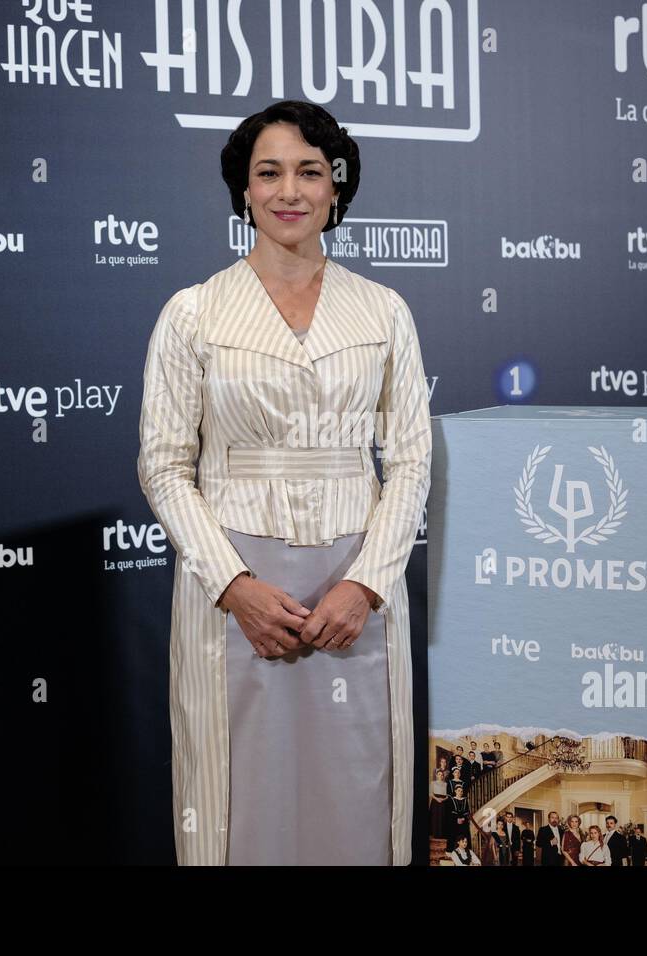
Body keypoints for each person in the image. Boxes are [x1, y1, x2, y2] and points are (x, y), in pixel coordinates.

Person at [137, 100, 433, 866]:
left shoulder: (384, 310)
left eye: (310, 171)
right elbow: (165, 466)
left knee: (357, 790)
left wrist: (365, 585)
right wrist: (234, 586)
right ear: (243, 189)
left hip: (352, 590)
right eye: (268, 172)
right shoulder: (192, 314)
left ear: (337, 189)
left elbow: (408, 461)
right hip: (237, 592)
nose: (289, 190)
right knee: (237, 798)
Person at [429, 770, 449, 840]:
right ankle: (435, 834)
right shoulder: (433, 783)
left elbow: (447, 796)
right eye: (439, 774)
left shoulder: (445, 784)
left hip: (443, 802)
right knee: (435, 817)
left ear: (443, 776)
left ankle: (441, 834)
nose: (440, 776)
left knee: (442, 817)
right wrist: (437, 799)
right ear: (436, 775)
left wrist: (442, 799)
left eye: (442, 775)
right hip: (435, 801)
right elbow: (430, 793)